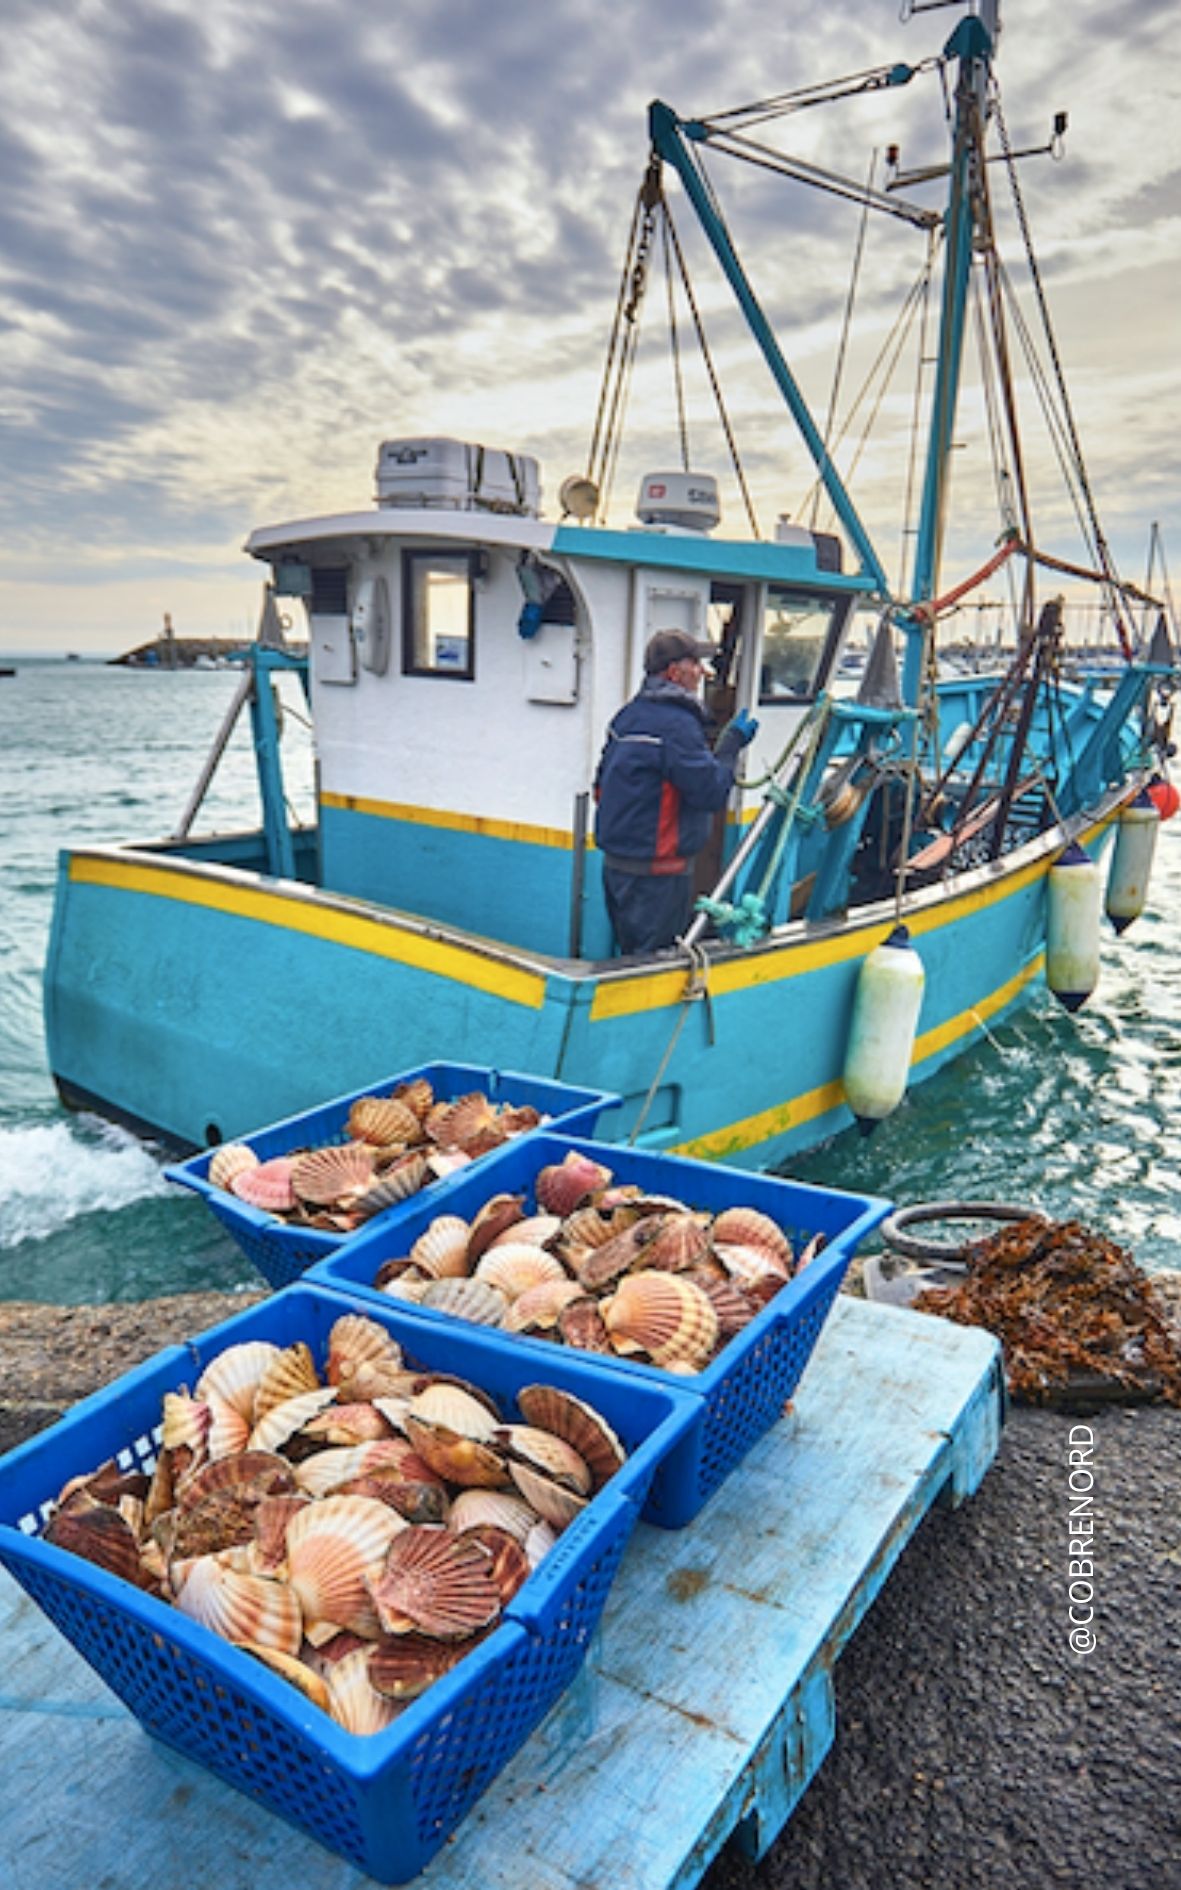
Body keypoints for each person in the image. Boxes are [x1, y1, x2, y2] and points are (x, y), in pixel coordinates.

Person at [593, 627, 758, 955]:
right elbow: (711, 792)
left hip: (616, 870)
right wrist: (731, 744)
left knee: (631, 956)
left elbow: (600, 788)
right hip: (658, 879)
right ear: (673, 672)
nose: (702, 672)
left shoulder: (625, 718)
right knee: (655, 966)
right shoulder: (677, 726)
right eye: (694, 664)